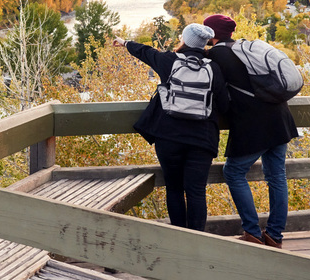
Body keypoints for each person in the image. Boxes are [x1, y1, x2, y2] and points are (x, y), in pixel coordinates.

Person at [113, 23, 228, 231]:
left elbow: (146, 52)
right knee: (196, 192)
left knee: (174, 189)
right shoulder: (213, 68)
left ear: (184, 40)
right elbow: (224, 104)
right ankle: (197, 242)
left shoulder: (169, 61)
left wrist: (125, 42)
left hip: (169, 137)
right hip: (202, 140)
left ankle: (179, 238)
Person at [203, 14, 299, 248]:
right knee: (276, 177)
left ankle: (252, 232)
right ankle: (274, 236)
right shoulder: (243, 49)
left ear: (212, 34)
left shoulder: (217, 54)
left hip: (254, 124)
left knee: (234, 173)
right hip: (280, 118)